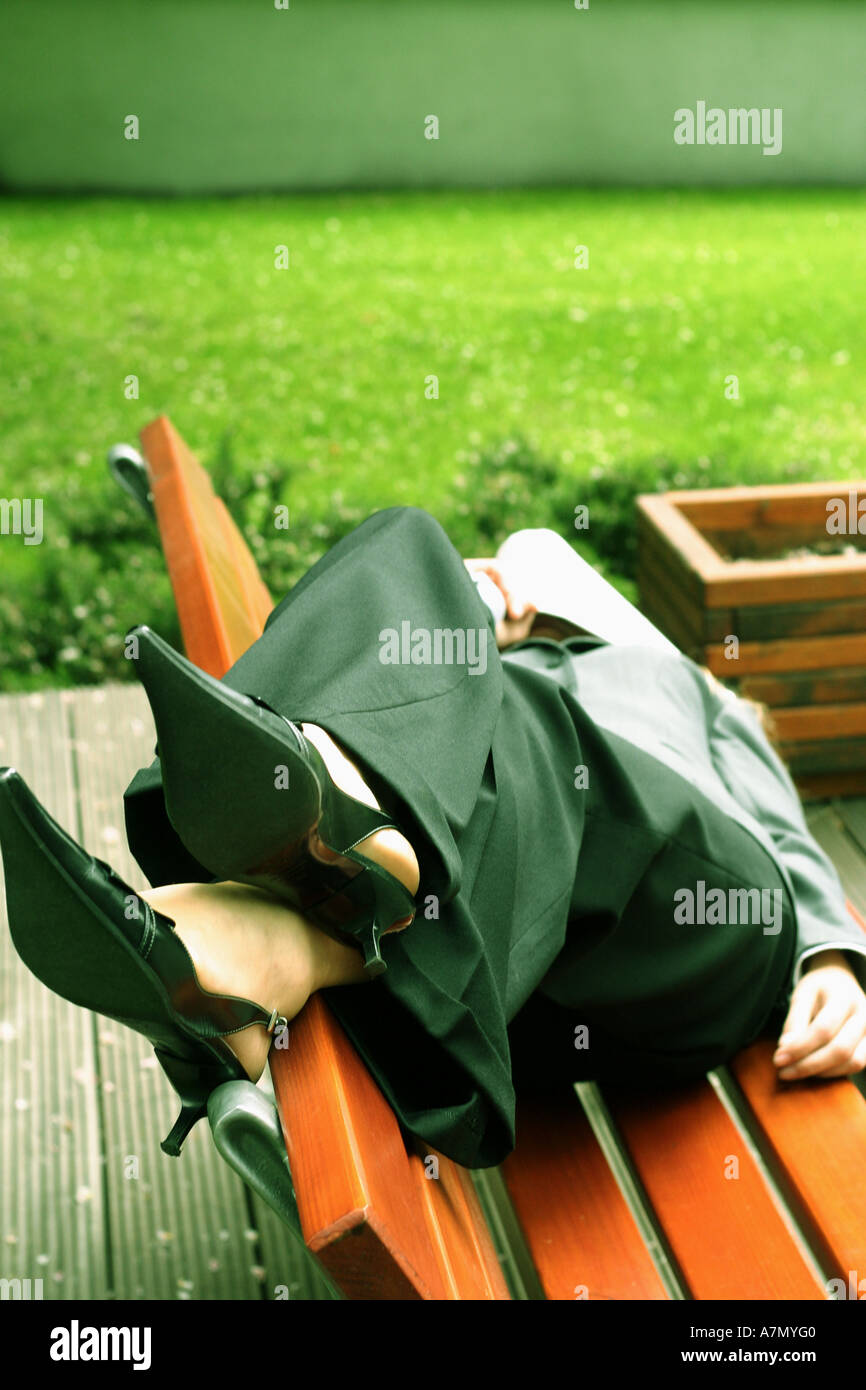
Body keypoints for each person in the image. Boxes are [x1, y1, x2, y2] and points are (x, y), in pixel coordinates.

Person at [2, 507, 865, 1171]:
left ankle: (333, 815)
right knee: (407, 539)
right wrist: (477, 613)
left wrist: (833, 951)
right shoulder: (489, 690)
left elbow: (783, 826)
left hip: (699, 932)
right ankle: (246, 946)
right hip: (501, 972)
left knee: (531, 737)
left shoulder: (683, 688)